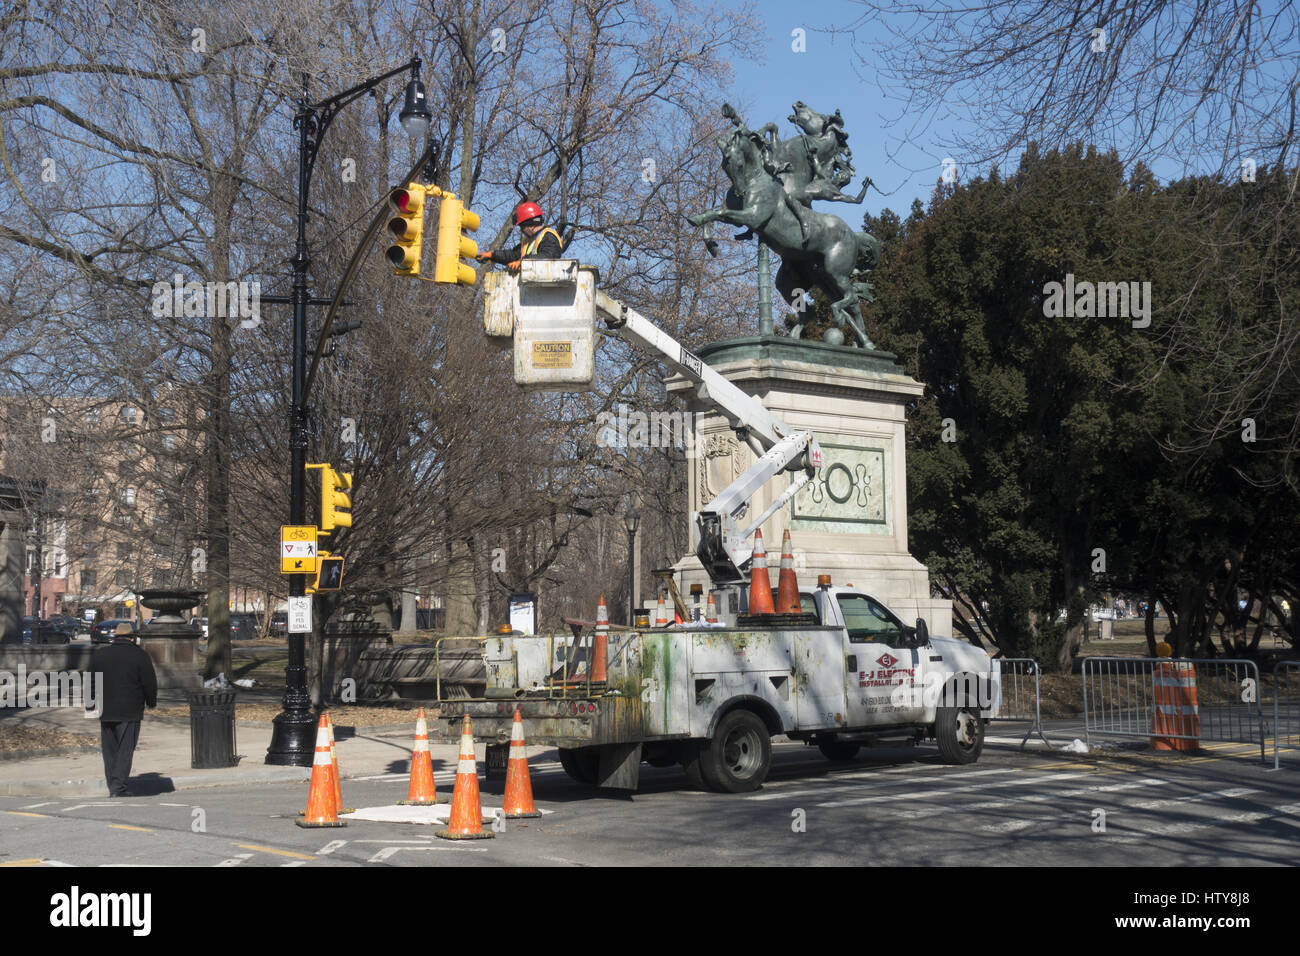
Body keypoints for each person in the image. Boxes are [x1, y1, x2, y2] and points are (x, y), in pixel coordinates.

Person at [91, 622, 158, 797]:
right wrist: (151, 701)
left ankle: (113, 783)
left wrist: (91, 706)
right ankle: (117, 787)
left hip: (105, 710)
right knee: (125, 749)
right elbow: (149, 683)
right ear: (132, 637)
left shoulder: (100, 655)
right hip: (130, 710)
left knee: (109, 750)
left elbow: (90, 682)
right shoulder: (140, 655)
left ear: (115, 637)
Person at [476, 201, 563, 269]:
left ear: (531, 225)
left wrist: (523, 262)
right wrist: (492, 255)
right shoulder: (527, 242)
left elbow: (547, 256)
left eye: (522, 227)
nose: (521, 230)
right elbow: (512, 255)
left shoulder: (549, 236)